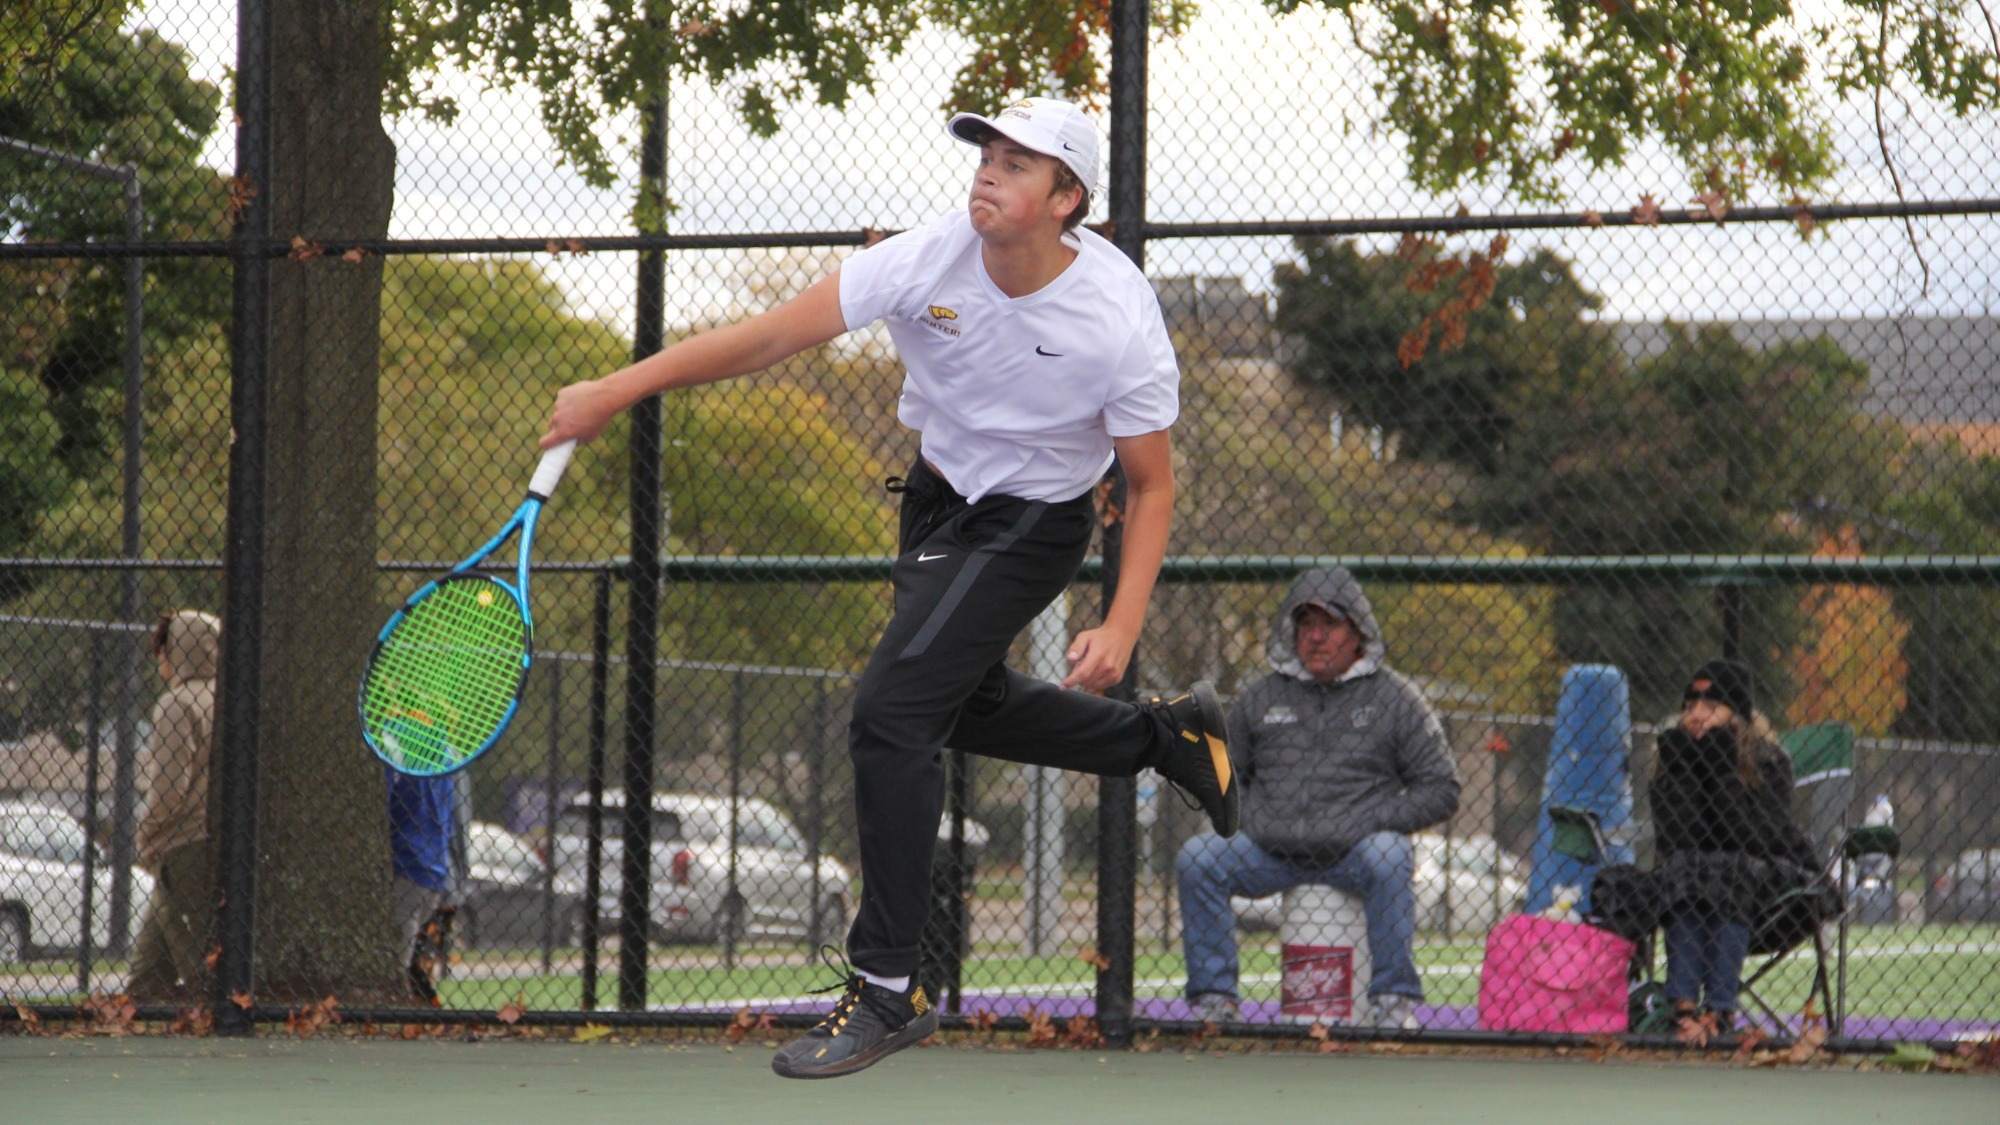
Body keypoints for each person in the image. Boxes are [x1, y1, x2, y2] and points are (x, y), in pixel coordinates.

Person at [540, 96, 1238, 1079]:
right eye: (986, 153)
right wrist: (614, 390)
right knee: (953, 707)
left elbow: (1150, 482)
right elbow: (770, 336)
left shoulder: (1115, 315)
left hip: (1035, 521)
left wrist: (1119, 624)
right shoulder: (925, 256)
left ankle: (884, 988)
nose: (989, 171)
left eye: (1018, 162)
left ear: (1066, 198)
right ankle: (1167, 740)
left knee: (888, 711)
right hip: (938, 500)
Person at [1176, 567, 1460, 1029]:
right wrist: (1257, 819)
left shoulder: (1397, 698)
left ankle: (1393, 1001)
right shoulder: (1261, 696)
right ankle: (1215, 1000)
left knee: (1390, 853)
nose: (1316, 637)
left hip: (1355, 852)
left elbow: (1442, 789)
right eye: (1306, 625)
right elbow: (1222, 778)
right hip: (1271, 851)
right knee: (1198, 858)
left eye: (1329, 626)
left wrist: (1370, 819)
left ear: (1357, 633)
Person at [1645, 660, 1823, 1045]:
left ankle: (1720, 1010)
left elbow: (1753, 839)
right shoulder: (1674, 756)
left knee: (1731, 866)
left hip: (1769, 881)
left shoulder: (1769, 759)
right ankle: (1683, 1010)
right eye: (1690, 707)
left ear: (1737, 714)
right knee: (1685, 867)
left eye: (1710, 707)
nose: (1695, 716)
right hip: (1693, 883)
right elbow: (1676, 842)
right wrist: (1685, 773)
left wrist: (1722, 769)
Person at [129, 609, 222, 1003]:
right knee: (148, 972)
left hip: (184, 846)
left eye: (161, 652)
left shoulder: (176, 705)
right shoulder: (229, 697)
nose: (159, 663)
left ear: (175, 652)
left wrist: (146, 833)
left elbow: (167, 790)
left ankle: (207, 1020)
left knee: (196, 965)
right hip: (215, 840)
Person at [388, 769, 461, 1002]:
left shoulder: (395, 750)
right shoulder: (442, 755)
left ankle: (398, 996)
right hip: (434, 867)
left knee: (402, 943)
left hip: (407, 861)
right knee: (406, 940)